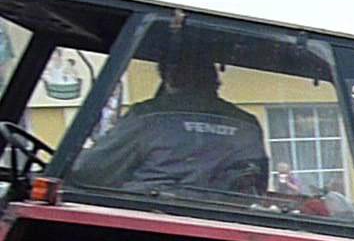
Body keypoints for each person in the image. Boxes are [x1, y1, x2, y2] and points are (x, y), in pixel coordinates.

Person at [71, 52, 267, 195]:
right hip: (226, 220)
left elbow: (89, 172)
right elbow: (258, 183)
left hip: (151, 215)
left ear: (169, 78)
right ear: (213, 79)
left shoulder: (147, 116)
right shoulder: (247, 125)